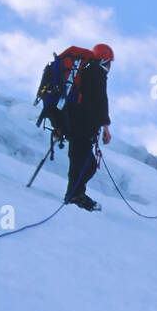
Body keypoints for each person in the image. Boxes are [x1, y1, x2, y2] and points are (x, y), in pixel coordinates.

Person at [63, 43, 113, 211]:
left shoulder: (85, 71)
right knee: (85, 163)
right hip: (83, 126)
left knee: (79, 160)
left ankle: (74, 193)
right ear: (104, 60)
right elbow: (100, 101)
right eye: (109, 62)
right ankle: (75, 195)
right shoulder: (96, 73)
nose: (109, 67)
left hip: (74, 122)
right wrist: (105, 126)